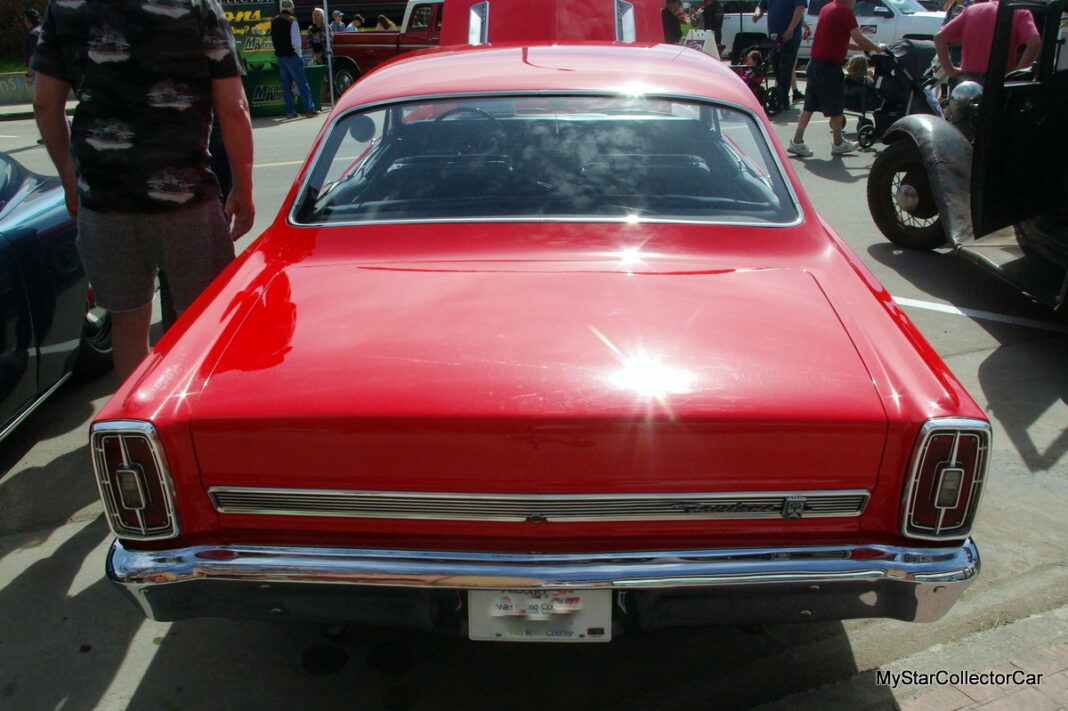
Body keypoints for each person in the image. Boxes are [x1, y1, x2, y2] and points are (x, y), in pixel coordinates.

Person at [31, 0, 255, 381]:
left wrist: (71, 181)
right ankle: (194, 411)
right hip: (188, 201)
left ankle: (136, 415)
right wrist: (243, 189)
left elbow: (44, 103)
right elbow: (233, 107)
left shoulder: (64, 7)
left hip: (105, 201)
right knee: (204, 324)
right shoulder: (199, 5)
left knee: (128, 326)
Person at [787, 0, 886, 157]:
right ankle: (838, 143)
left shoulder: (827, 8)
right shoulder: (845, 12)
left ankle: (797, 141)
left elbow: (840, 41)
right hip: (829, 66)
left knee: (810, 105)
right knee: (836, 104)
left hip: (815, 63)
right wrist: (877, 48)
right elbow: (858, 37)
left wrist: (863, 48)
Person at [934, 0, 1040, 86]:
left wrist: (950, 70)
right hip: (1000, 81)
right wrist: (1018, 73)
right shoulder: (1020, 11)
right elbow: (1034, 41)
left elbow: (939, 37)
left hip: (969, 83)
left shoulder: (972, 10)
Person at [753, 0, 807, 109]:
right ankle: (779, 96)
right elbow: (761, 6)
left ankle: (782, 99)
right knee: (776, 66)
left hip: (790, 36)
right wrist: (757, 14)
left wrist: (791, 28)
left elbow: (800, 8)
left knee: (785, 67)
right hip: (774, 35)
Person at [272, 0, 318, 119]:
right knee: (302, 84)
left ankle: (290, 111)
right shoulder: (292, 21)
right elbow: (296, 42)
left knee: (286, 86)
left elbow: (273, 39)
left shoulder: (274, 21)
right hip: (293, 56)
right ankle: (309, 109)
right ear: (292, 8)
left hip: (280, 57)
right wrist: (299, 55)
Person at [23, 9, 41, 87]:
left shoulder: (34, 34)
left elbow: (34, 55)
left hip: (39, 72)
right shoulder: (44, 30)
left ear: (27, 19)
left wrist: (29, 74)